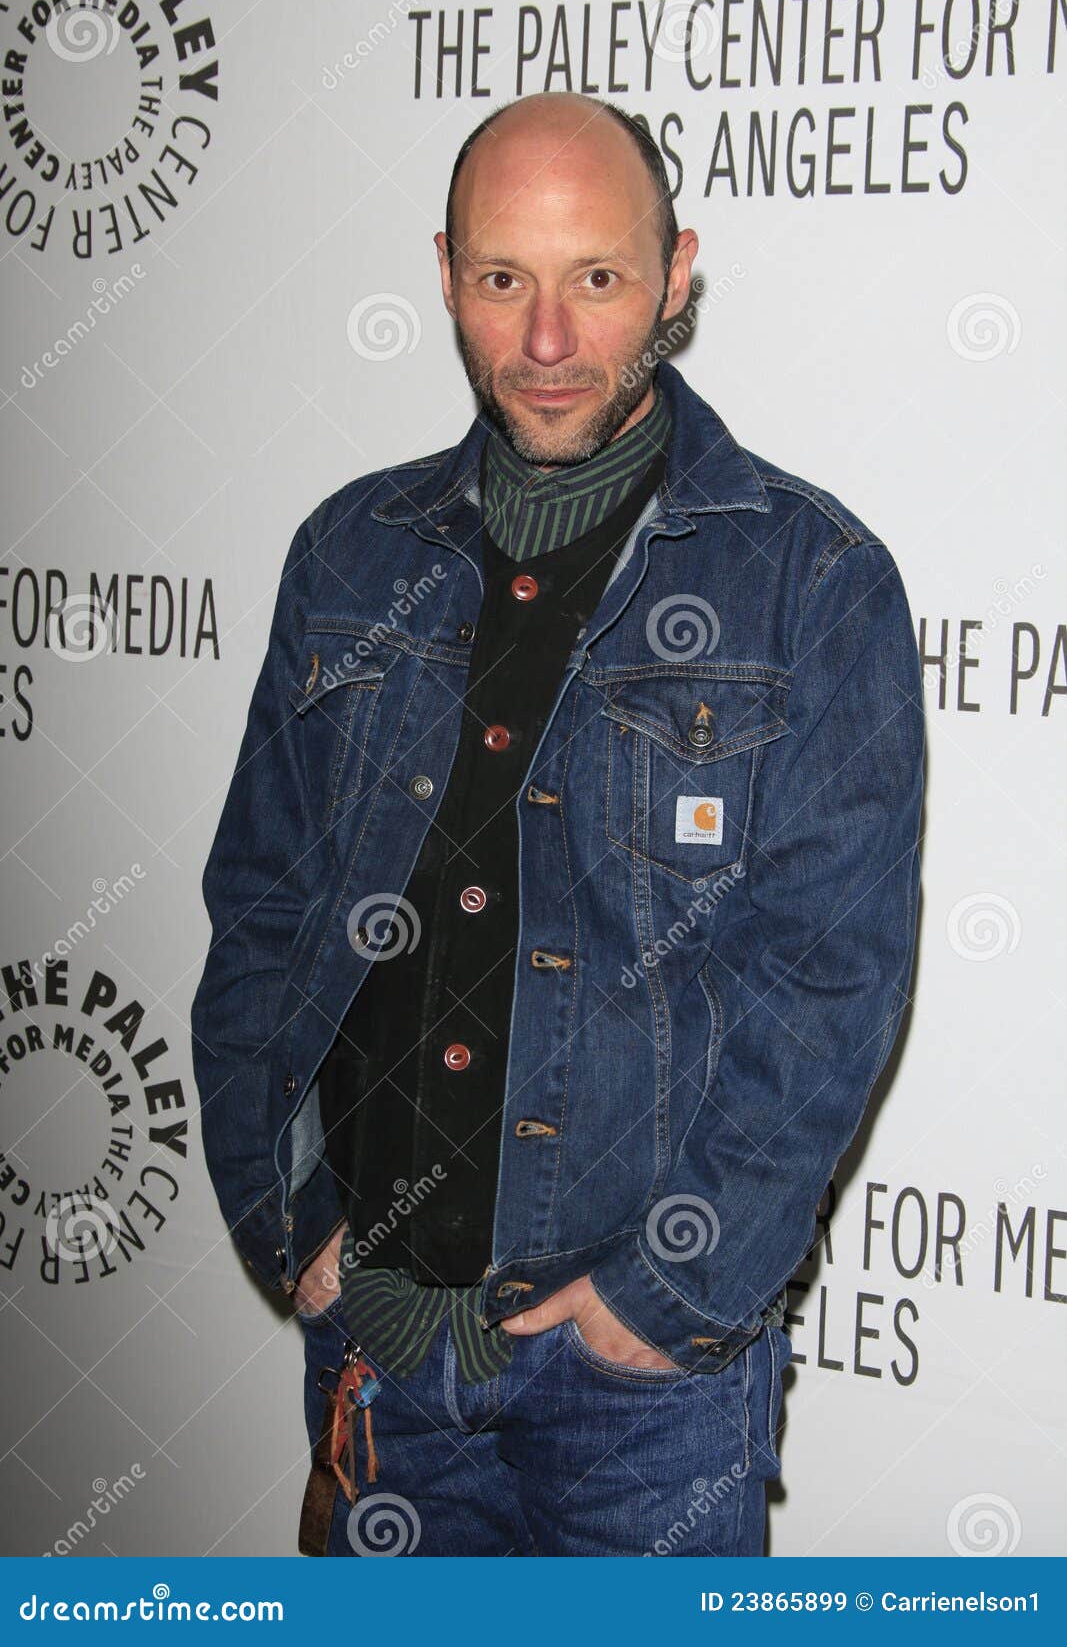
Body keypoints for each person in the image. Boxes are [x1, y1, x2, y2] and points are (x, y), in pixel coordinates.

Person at [190, 91, 925, 1557]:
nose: (545, 340)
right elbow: (262, 907)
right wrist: (302, 1227)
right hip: (379, 1355)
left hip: (642, 1405)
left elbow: (832, 981)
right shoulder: (349, 556)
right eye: (501, 278)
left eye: (596, 276)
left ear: (676, 274)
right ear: (446, 270)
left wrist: (664, 1306)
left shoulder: (812, 583)